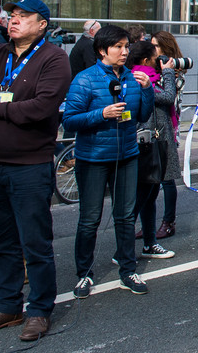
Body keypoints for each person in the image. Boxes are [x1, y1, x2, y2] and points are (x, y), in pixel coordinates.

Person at [0, 0, 71, 342]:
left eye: (24, 16)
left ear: (42, 24)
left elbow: (41, 107)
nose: (14, 20)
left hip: (29, 166)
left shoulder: (54, 59)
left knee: (34, 242)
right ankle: (7, 305)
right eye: (12, 15)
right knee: (1, 241)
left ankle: (39, 310)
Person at [64, 23, 154, 298]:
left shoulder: (132, 78)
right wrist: (101, 114)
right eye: (118, 47)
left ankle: (128, 271)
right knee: (90, 219)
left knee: (125, 217)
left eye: (127, 46)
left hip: (127, 156)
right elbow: (69, 120)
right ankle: (84, 274)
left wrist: (148, 90)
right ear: (103, 50)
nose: (125, 52)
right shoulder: (85, 79)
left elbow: (141, 116)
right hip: (92, 158)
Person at [126, 40, 176, 260]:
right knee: (140, 198)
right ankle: (123, 250)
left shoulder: (147, 76)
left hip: (157, 142)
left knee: (150, 196)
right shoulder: (140, 78)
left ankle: (149, 243)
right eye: (157, 58)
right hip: (147, 144)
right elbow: (167, 97)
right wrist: (168, 74)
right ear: (146, 60)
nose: (160, 61)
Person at [150, 30, 186, 239]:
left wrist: (167, 72)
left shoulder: (175, 73)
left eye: (155, 46)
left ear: (165, 49)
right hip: (152, 127)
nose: (152, 49)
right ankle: (149, 225)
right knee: (152, 178)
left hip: (168, 128)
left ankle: (168, 221)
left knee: (167, 178)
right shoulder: (153, 69)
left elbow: (167, 96)